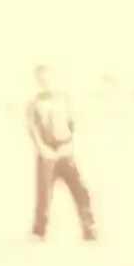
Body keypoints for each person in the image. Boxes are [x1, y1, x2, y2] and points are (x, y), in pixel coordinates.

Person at [27, 64, 97, 241]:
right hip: (46, 153)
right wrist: (42, 149)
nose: (46, 82)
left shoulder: (65, 100)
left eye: (48, 78)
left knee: (80, 191)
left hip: (65, 150)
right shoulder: (35, 103)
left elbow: (74, 124)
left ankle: (89, 229)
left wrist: (70, 145)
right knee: (44, 195)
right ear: (38, 81)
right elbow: (33, 129)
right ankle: (39, 232)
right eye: (42, 79)